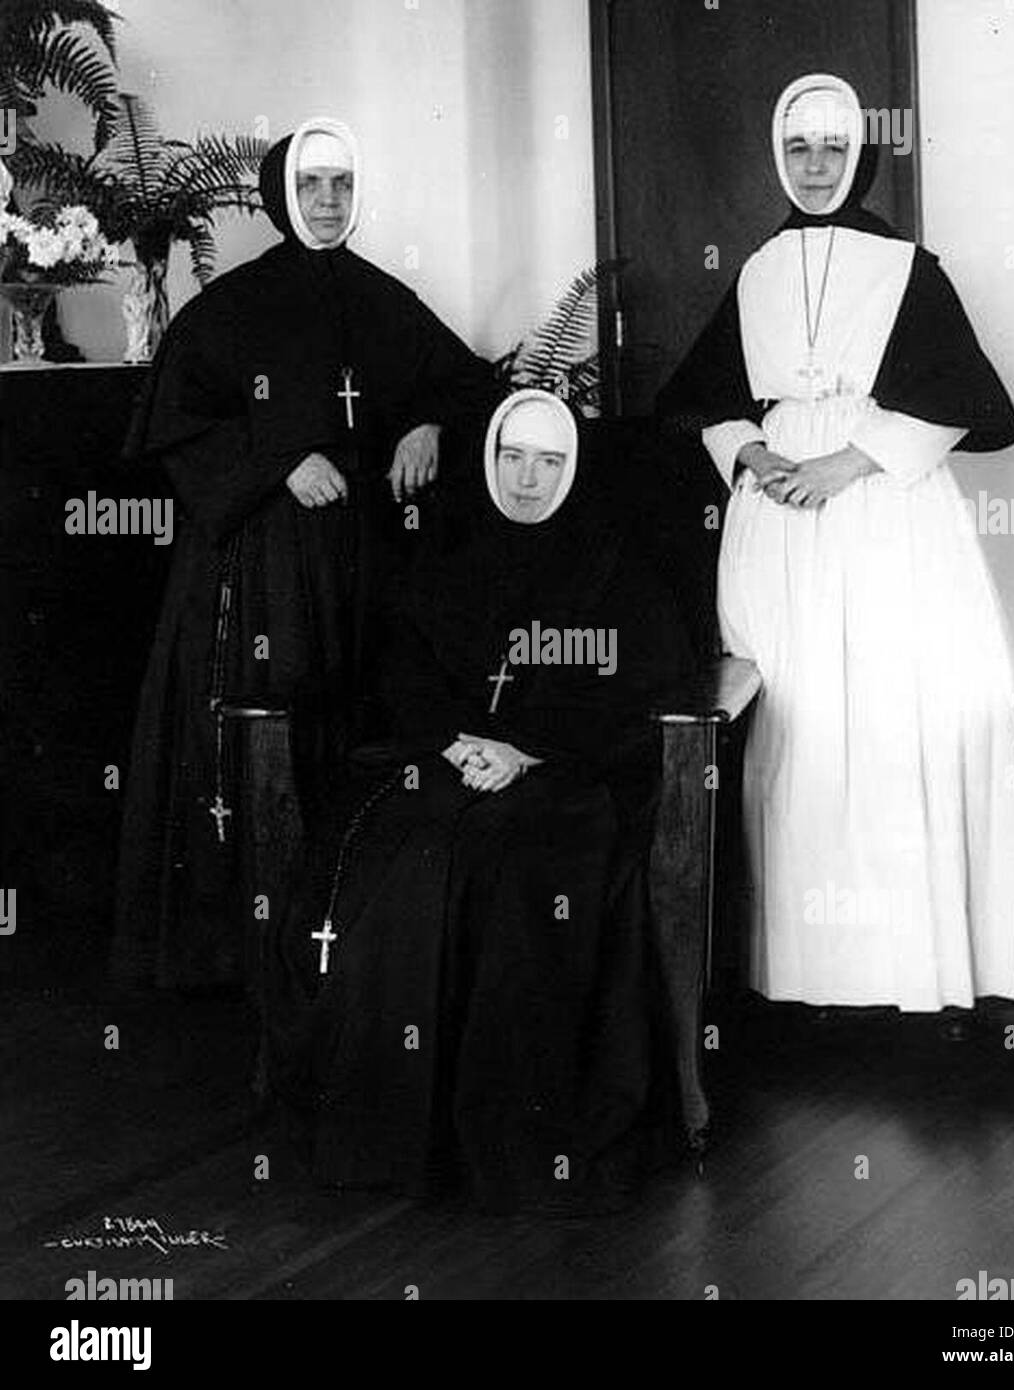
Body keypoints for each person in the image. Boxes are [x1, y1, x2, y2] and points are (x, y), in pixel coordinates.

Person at [656, 74, 1014, 1026]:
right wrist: (752, 455)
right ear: (778, 159)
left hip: (884, 515)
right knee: (796, 724)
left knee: (885, 715)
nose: (817, 165)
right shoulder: (754, 272)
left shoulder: (910, 267)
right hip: (775, 521)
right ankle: (802, 971)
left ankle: (908, 968)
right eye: (799, 150)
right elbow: (710, 400)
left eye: (834, 148)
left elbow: (964, 406)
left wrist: (841, 465)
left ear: (861, 155)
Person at [265, 388, 692, 1213]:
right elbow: (403, 669)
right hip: (447, 759)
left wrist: (524, 749)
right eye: (512, 457)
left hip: (566, 777)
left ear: (574, 470)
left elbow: (639, 693)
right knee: (397, 847)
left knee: (506, 861)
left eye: (549, 462)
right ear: (490, 459)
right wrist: (456, 741)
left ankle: (497, 1137)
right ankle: (382, 1130)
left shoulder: (617, 567)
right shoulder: (447, 551)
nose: (528, 479)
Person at [112, 117, 494, 990]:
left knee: (362, 733)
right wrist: (280, 462)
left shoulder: (383, 297)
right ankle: (250, 951)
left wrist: (427, 423)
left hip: (366, 566)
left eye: (342, 186)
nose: (329, 202)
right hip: (263, 571)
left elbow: (466, 381)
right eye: (313, 185)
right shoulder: (232, 307)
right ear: (282, 194)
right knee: (275, 736)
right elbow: (175, 426)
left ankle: (351, 941)